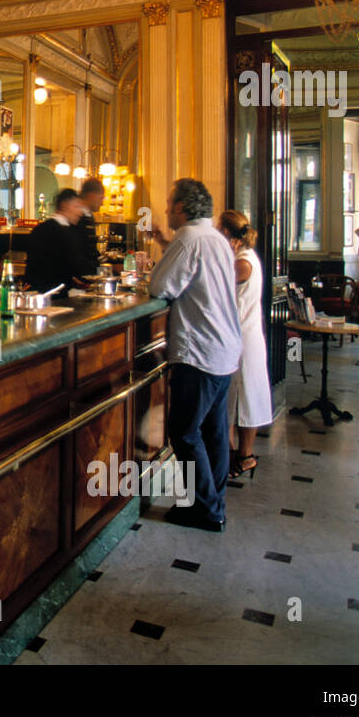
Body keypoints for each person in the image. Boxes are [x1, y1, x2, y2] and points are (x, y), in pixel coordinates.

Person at [146, 178, 242, 531]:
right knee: (214, 434)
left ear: (182, 208)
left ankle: (206, 510)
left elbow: (160, 287)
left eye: (170, 203)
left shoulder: (188, 238)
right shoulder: (214, 237)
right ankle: (214, 503)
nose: (167, 209)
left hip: (199, 351)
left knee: (185, 433)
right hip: (224, 349)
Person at [219, 210, 272, 479]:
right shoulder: (243, 258)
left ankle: (245, 455)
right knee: (235, 399)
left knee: (245, 398)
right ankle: (232, 455)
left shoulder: (242, 263)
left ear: (228, 234)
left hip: (244, 339)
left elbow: (215, 286)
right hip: (242, 336)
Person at [25, 188, 90, 299]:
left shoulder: (55, 228)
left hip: (46, 292)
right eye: (77, 207)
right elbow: (70, 263)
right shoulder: (56, 230)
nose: (80, 212)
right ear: (64, 205)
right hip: (50, 295)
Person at [78, 177, 105, 277]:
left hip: (89, 272)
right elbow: (81, 251)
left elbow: (92, 250)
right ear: (92, 196)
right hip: (81, 275)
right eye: (101, 198)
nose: (102, 203)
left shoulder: (89, 215)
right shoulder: (78, 217)